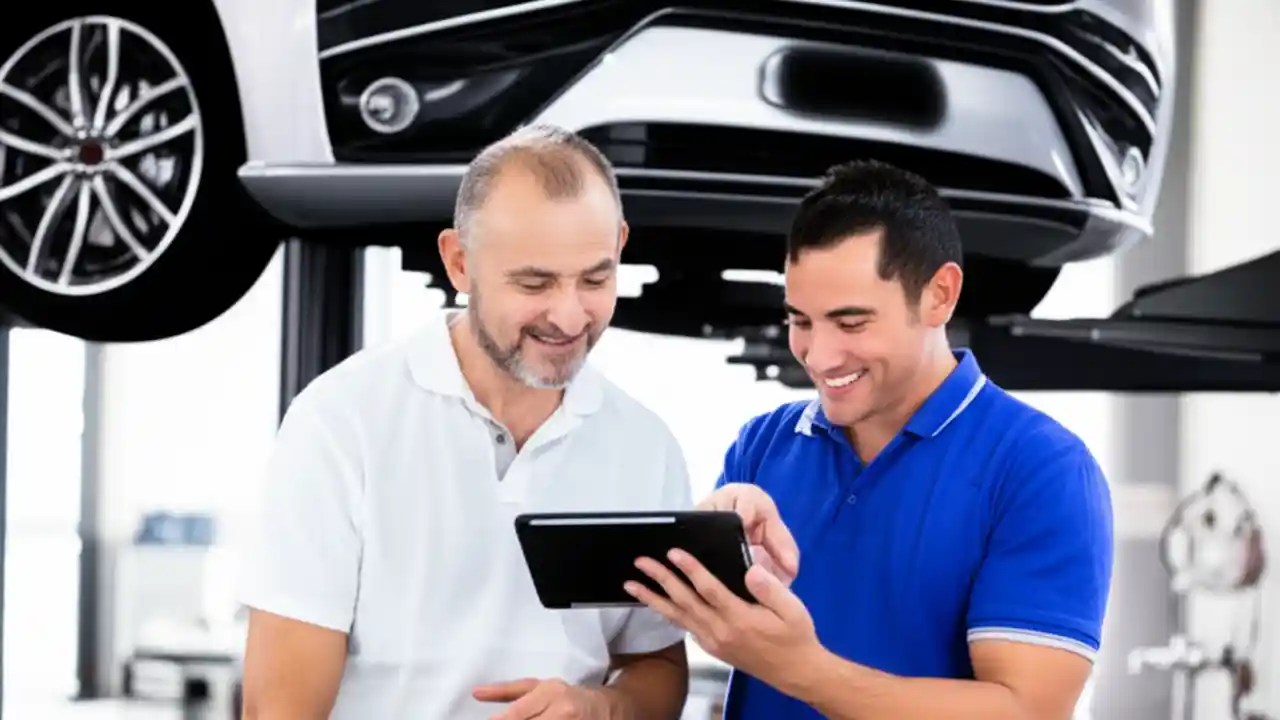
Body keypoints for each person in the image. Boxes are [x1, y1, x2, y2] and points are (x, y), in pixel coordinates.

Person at [625, 159, 1114, 719]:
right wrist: (707, 551)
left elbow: (1025, 712)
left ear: (940, 295)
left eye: (852, 323)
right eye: (801, 321)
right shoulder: (761, 446)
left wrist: (802, 670)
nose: (820, 355)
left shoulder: (1042, 469)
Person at [237, 124, 692, 720]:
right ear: (459, 262)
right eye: (534, 282)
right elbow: (282, 710)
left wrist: (599, 708)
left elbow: (655, 667)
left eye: (596, 278)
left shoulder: (644, 445)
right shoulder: (342, 422)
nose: (569, 313)